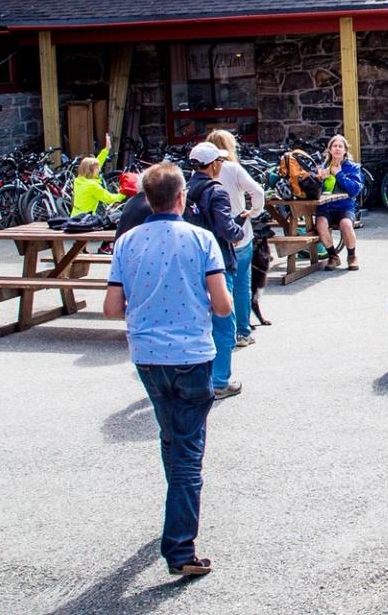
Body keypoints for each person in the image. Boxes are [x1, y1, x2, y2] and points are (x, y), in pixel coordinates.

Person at [102, 162, 233, 578]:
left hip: (147, 353)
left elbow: (111, 308)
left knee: (170, 435)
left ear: (146, 198)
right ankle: (180, 547)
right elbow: (223, 305)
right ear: (182, 198)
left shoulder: (126, 243)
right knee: (190, 451)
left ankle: (175, 513)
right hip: (192, 351)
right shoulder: (201, 239)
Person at [184, 142, 251, 399]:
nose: (221, 165)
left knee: (199, 321)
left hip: (191, 262)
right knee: (224, 322)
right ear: (213, 164)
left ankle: (199, 377)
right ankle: (220, 380)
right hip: (218, 262)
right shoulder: (216, 192)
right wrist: (239, 226)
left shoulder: (185, 189)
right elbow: (226, 230)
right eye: (219, 162)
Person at [205, 129, 267, 347]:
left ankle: (224, 333)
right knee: (242, 285)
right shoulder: (233, 169)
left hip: (214, 236)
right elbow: (258, 192)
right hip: (239, 234)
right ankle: (243, 332)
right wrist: (254, 212)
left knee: (221, 286)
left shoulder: (204, 173)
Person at [313, 134, 366, 271]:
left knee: (346, 224)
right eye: (334, 146)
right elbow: (312, 190)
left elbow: (354, 190)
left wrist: (339, 174)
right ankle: (333, 256)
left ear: (345, 150)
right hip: (326, 207)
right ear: (330, 150)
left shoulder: (353, 168)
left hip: (344, 206)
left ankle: (352, 255)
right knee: (321, 224)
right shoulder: (322, 167)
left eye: (340, 146)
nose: (337, 149)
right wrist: (318, 179)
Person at [71, 134, 125, 216]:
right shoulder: (92, 186)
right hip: (84, 220)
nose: (99, 169)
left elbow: (97, 162)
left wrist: (106, 149)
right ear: (91, 170)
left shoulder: (79, 179)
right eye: (97, 168)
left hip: (74, 216)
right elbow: (109, 198)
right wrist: (123, 194)